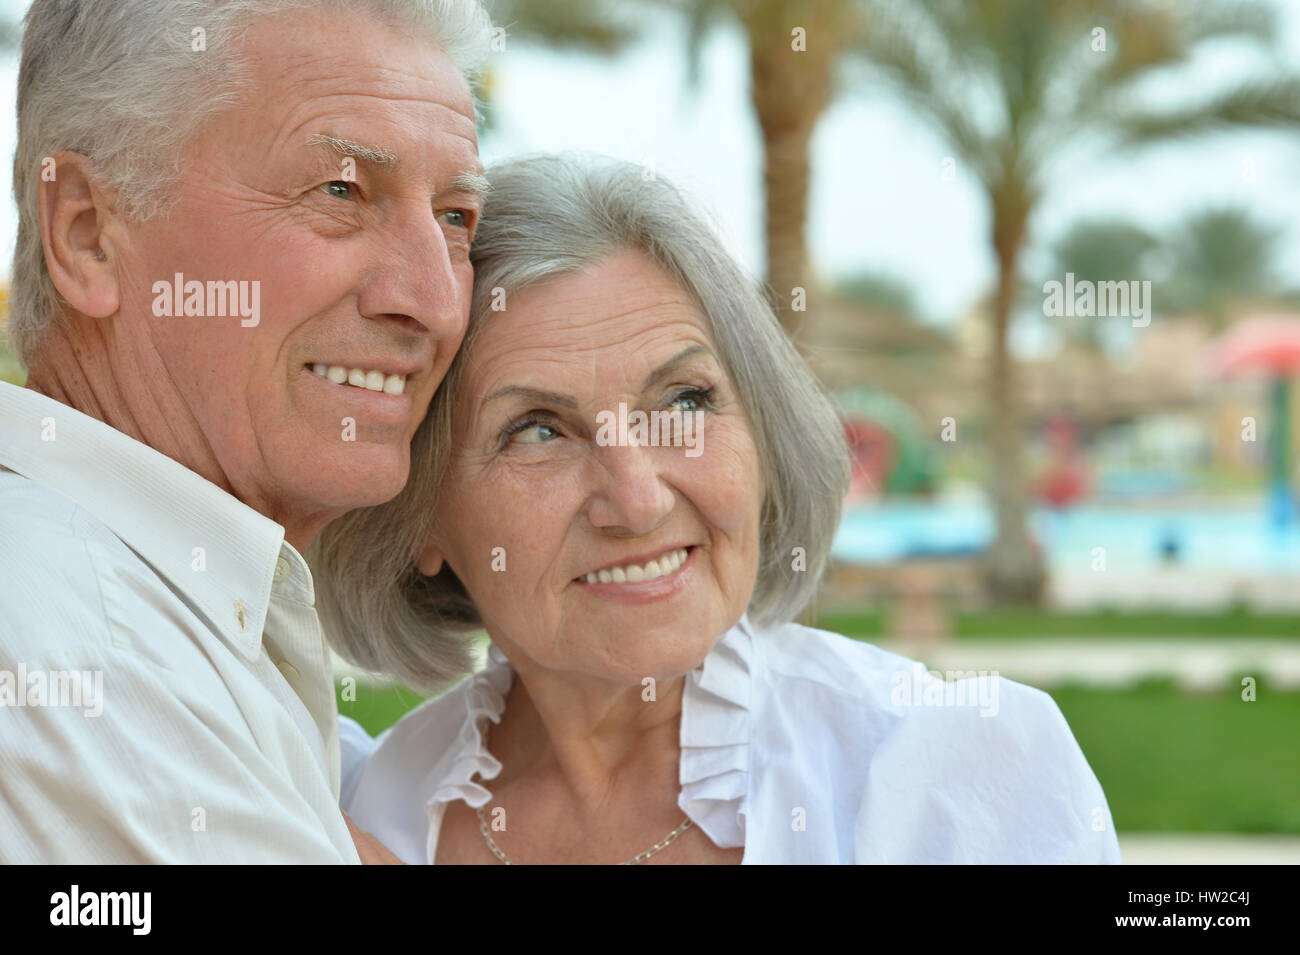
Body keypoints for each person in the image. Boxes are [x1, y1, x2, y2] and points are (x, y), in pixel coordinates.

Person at [316, 155, 1123, 864]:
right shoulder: (358, 810)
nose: (637, 499)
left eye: (685, 401)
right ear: (413, 512)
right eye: (536, 430)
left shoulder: (957, 773)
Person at [0, 0, 492, 863]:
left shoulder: (171, 619)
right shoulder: (81, 652)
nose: (437, 301)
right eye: (341, 191)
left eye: (456, 218)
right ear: (85, 235)